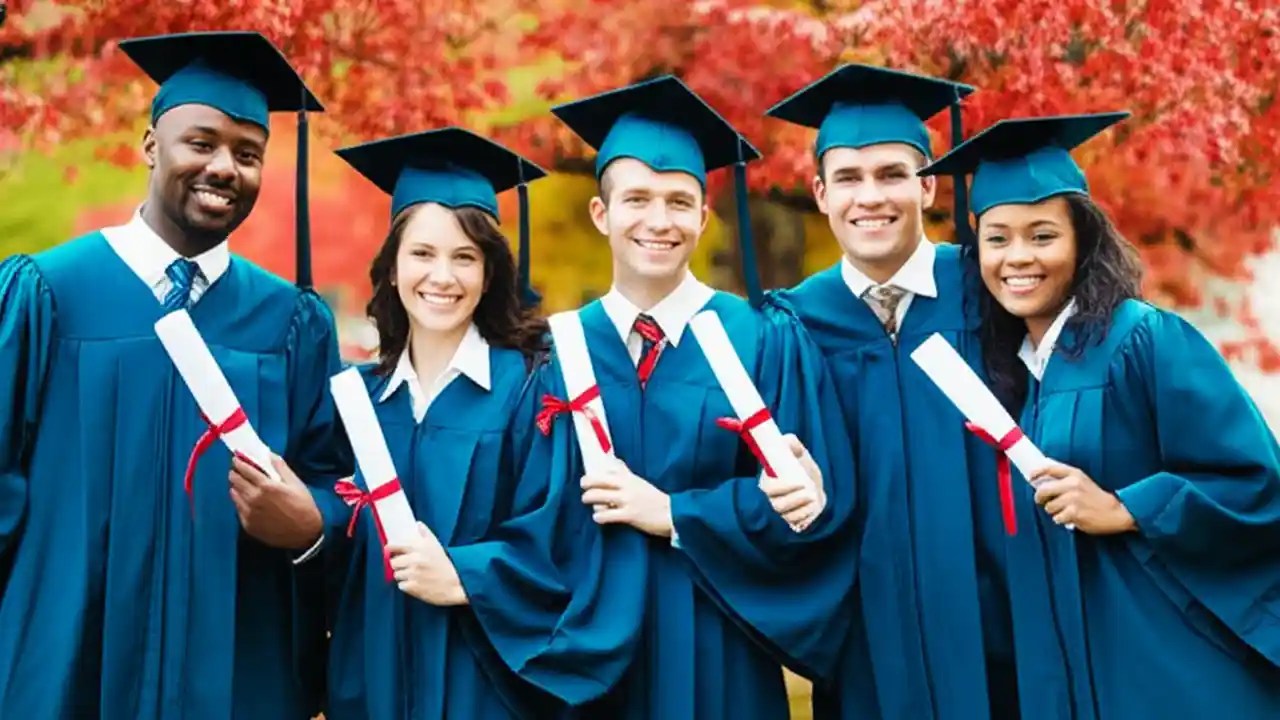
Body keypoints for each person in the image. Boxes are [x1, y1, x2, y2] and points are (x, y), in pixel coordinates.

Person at [0, 31, 351, 718]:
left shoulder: (291, 323)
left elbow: (338, 484)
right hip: (67, 658)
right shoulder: (47, 293)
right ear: (151, 145)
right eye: (202, 142)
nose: (225, 167)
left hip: (235, 669)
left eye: (248, 154)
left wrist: (313, 522)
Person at [919, 111, 1280, 718]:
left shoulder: (1143, 342)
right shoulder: (1022, 374)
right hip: (1069, 679)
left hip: (1168, 672)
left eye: (1042, 235)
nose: (1017, 258)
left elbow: (1255, 484)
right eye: (997, 238)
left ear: (1082, 240)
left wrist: (1126, 507)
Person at [532, 75, 858, 719]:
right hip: (596, 667)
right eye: (637, 199)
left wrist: (675, 513)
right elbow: (530, 519)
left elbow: (811, 512)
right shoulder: (553, 355)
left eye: (680, 201)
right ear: (602, 214)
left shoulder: (763, 338)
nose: (660, 221)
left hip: (726, 656)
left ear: (704, 216)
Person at [322, 126, 620, 719]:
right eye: (423, 254)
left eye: (465, 257)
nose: (443, 277)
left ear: (490, 273)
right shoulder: (359, 399)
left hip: (489, 688)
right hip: (375, 681)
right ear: (392, 266)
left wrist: (465, 575)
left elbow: (566, 537)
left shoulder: (535, 387)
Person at [766, 64, 1022, 720]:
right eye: (847, 178)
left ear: (929, 187)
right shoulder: (791, 323)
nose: (869, 197)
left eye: (891, 175)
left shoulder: (996, 292)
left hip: (1006, 643)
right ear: (820, 193)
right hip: (866, 657)